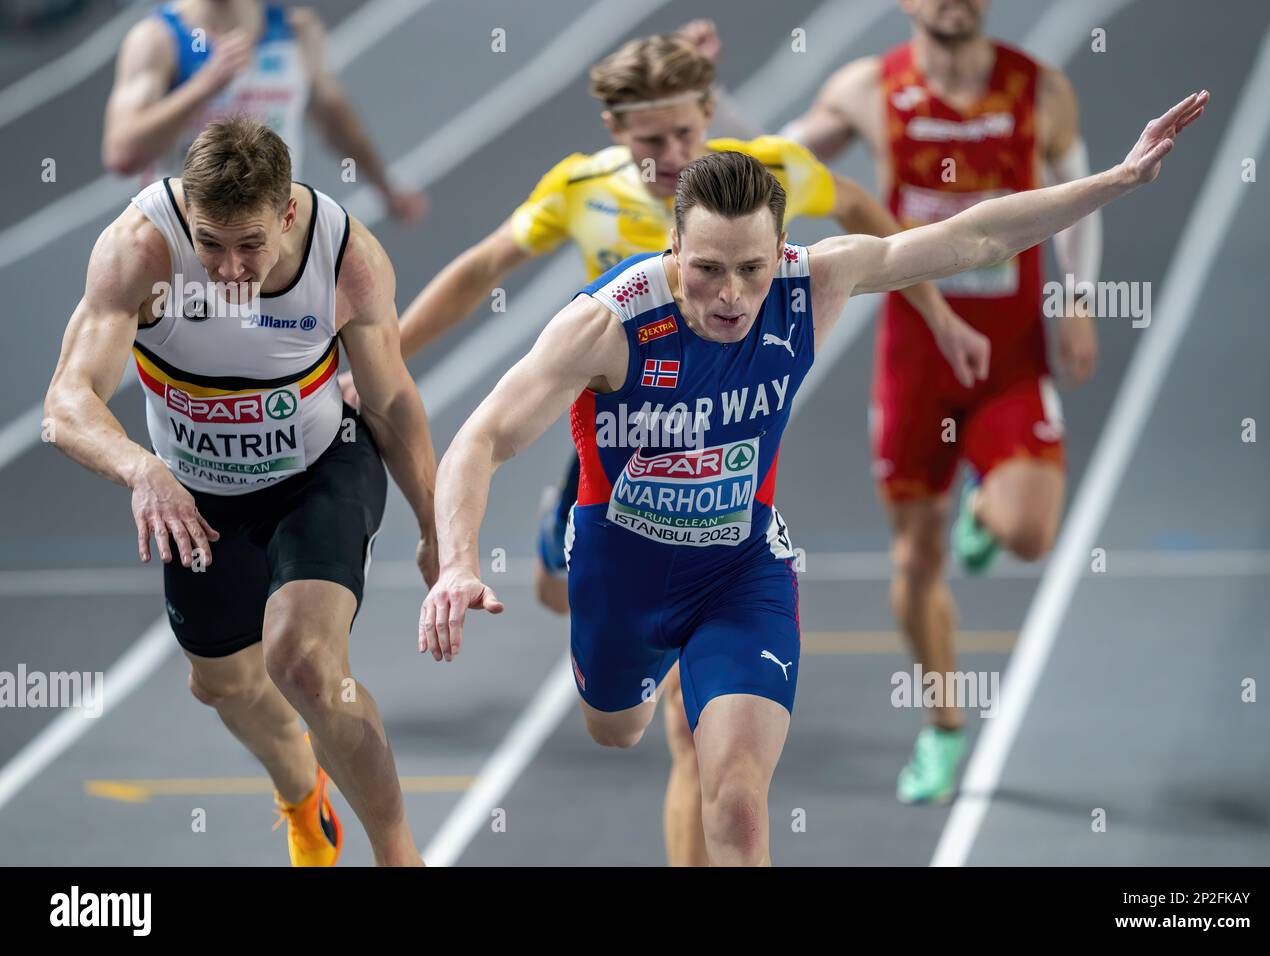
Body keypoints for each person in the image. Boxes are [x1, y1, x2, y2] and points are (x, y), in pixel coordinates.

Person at [420, 91, 1209, 865]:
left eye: (752, 268)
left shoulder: (812, 284)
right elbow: (480, 438)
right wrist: (457, 562)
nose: (731, 295)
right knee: (616, 730)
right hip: (618, 573)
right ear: (671, 248)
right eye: (707, 269)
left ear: (783, 250)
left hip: (740, 573)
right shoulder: (605, 325)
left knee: (733, 796)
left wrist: (1114, 181)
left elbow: (974, 239)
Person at [339, 30, 986, 866]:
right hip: (616, 438)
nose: (672, 155)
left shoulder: (763, 176)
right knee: (568, 615)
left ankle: (695, 681)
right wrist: (388, 356)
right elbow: (480, 271)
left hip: (719, 458)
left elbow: (873, 228)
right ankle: (596, 573)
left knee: (703, 738)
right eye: (650, 141)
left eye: (685, 134)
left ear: (710, 117)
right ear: (616, 132)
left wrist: (938, 315)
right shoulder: (581, 190)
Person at [44, 117, 439, 866]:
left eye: (250, 245)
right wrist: (143, 470)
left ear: (287, 212)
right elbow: (65, 404)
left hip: (319, 470)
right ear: (186, 217)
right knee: (221, 685)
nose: (229, 270)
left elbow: (390, 404)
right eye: (211, 244)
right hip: (195, 499)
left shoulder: (345, 256)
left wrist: (434, 527)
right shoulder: (139, 251)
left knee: (305, 664)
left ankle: (398, 856)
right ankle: (303, 797)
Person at [781, 0, 1104, 802]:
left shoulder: (1039, 90)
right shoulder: (867, 89)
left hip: (1007, 356)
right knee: (913, 558)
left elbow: (1079, 189)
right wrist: (696, 136)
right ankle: (944, 728)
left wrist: (1079, 300)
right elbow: (769, 161)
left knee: (1029, 533)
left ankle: (985, 513)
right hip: (917, 360)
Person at [102, 0, 425, 222]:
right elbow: (123, 153)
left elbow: (337, 123)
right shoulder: (157, 40)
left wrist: (386, 187)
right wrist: (204, 87)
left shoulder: (296, 31)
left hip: (270, 231)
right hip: (184, 235)